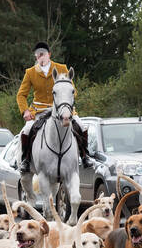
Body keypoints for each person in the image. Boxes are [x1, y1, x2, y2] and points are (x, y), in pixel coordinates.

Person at [16, 41, 102, 173]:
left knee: (81, 126)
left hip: (63, 109)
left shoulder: (62, 68)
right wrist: (25, 111)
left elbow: (73, 90)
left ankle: (85, 156)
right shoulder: (30, 72)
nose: (40, 57)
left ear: (49, 54)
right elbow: (21, 95)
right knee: (27, 130)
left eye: (43, 54)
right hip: (40, 110)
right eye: (38, 55)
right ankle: (26, 160)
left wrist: (65, 101)